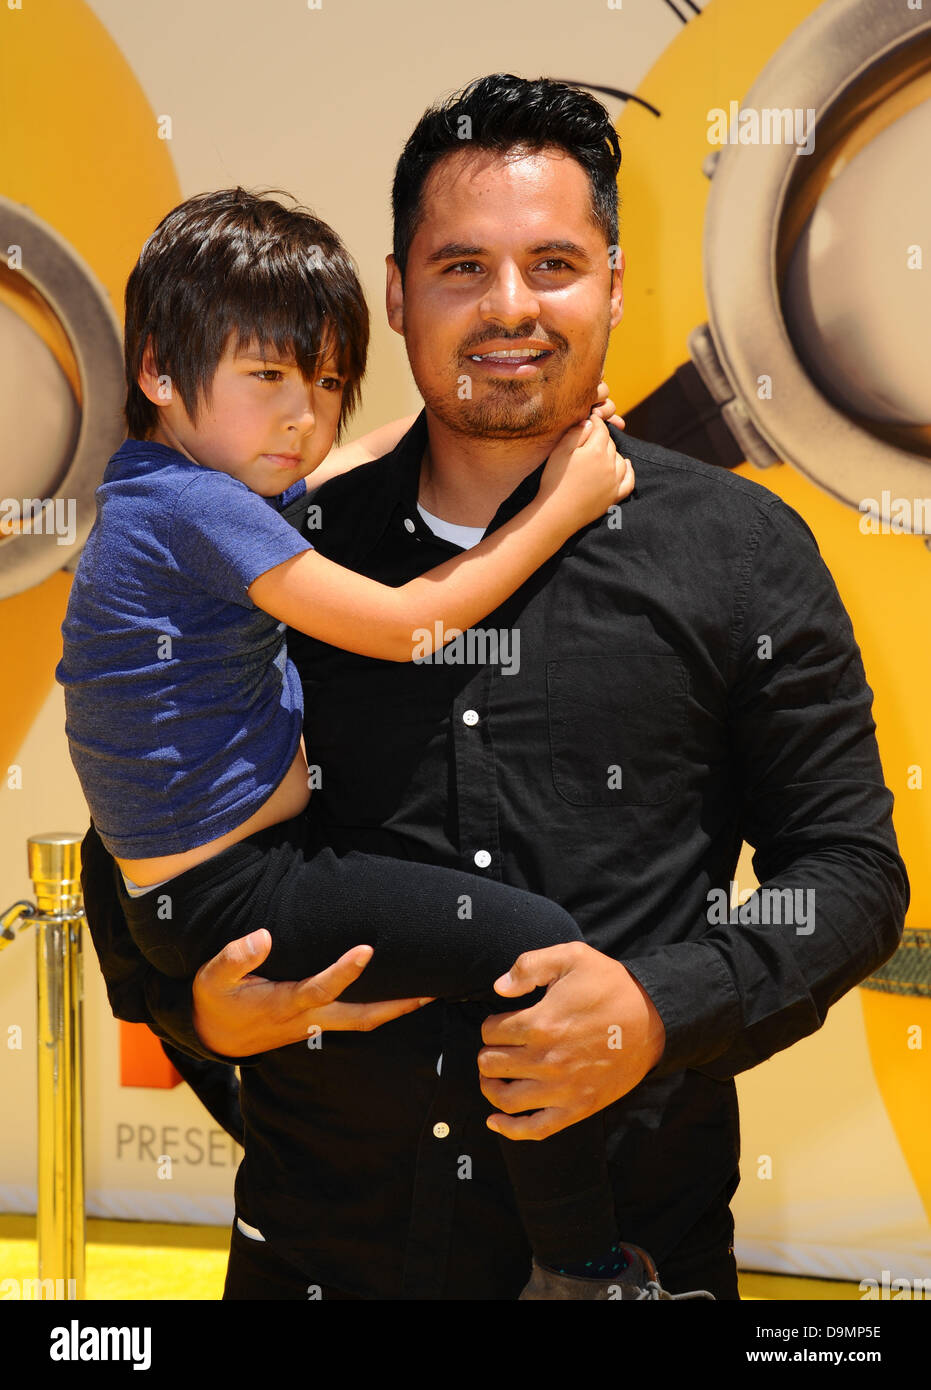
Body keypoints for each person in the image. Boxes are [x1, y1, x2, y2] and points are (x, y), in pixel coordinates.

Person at [78, 73, 909, 1302]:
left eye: (554, 263)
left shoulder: (742, 554)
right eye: (462, 267)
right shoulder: (284, 544)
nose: (510, 305)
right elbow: (134, 819)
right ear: (398, 293)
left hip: (642, 1254)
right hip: (319, 1259)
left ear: (615, 286)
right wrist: (194, 1007)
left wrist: (655, 1007)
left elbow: (847, 875)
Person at [58, 186, 701, 1300]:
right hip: (242, 894)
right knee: (534, 949)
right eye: (268, 377)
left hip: (194, 902)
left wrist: (449, 416)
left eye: (324, 382)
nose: (302, 416)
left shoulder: (162, 487)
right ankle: (582, 1271)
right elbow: (416, 629)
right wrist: (562, 499)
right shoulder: (199, 511)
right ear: (160, 370)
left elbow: (333, 470)